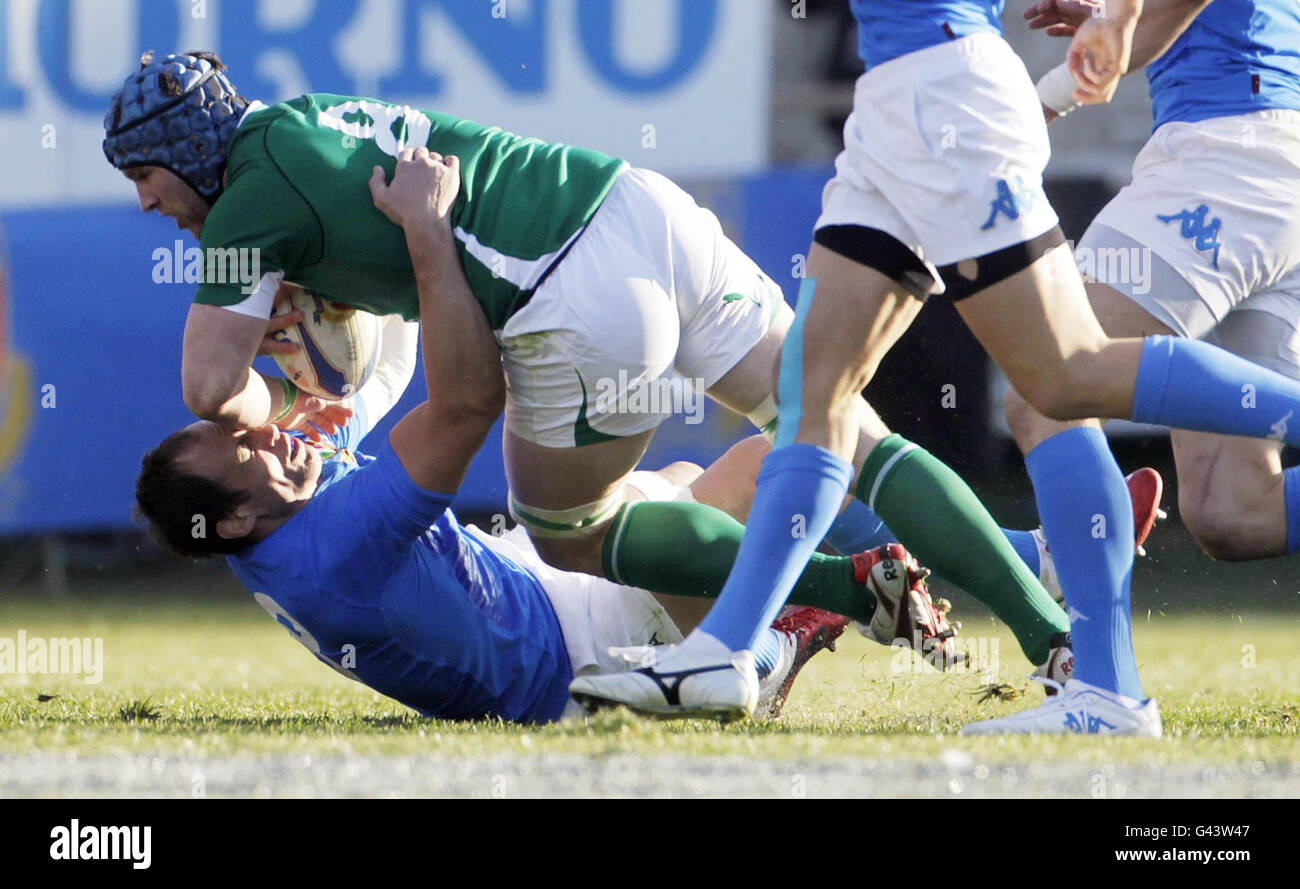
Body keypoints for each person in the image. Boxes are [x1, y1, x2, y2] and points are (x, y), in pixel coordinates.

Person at [104, 49, 1087, 686]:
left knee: (571, 530)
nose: (147, 202)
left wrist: (273, 398)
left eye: (144, 176)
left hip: (569, 293)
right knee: (846, 435)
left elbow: (205, 386)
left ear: (184, 151)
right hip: (635, 202)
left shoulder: (242, 212)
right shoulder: (297, 124)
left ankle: (841, 584)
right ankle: (1052, 624)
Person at [569, 0, 1300, 735]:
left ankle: (1108, 691)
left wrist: (1113, 25)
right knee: (814, 392)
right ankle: (724, 653)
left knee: (1062, 379)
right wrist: (1091, 44)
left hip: (947, 86)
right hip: (899, 94)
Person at [133, 148, 952, 724]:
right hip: (573, 653)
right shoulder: (337, 539)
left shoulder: (265, 523)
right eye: (249, 451)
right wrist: (425, 234)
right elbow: (467, 400)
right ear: (234, 519)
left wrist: (341, 287)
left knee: (713, 468)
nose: (271, 436)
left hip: (522, 581)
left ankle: (829, 601)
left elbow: (375, 382)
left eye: (254, 433)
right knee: (768, 462)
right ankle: (791, 631)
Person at [1005, 0, 1300, 568]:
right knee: (1233, 512)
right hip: (1264, 164)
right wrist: (1110, 19)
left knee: (1046, 382)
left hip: (1230, 157)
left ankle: (1088, 653)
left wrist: (1058, 84)